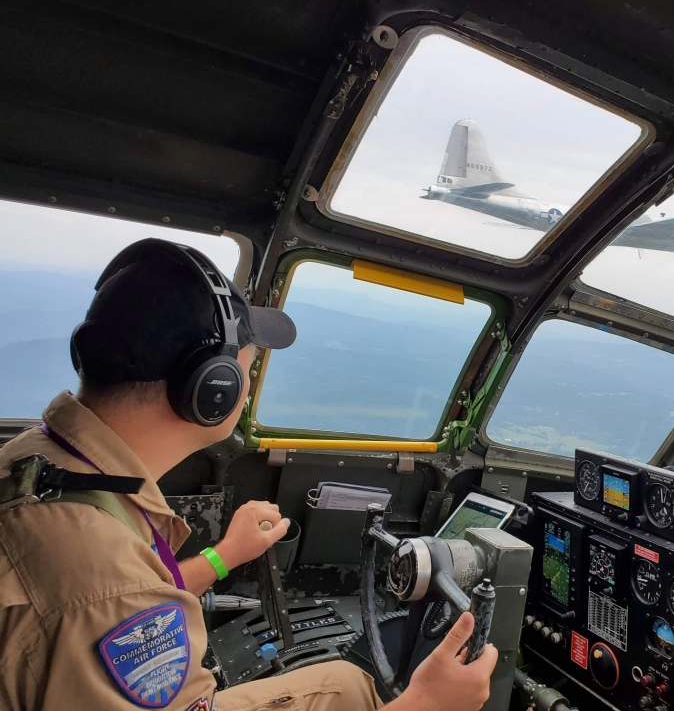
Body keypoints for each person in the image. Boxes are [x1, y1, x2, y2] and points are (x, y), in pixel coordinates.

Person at [0, 239, 497, 711]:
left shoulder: (40, 460)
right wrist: (423, 705)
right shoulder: (100, 576)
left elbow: (130, 597)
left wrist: (224, 556)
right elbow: (111, 597)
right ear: (214, 387)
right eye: (248, 363)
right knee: (357, 693)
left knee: (341, 684)